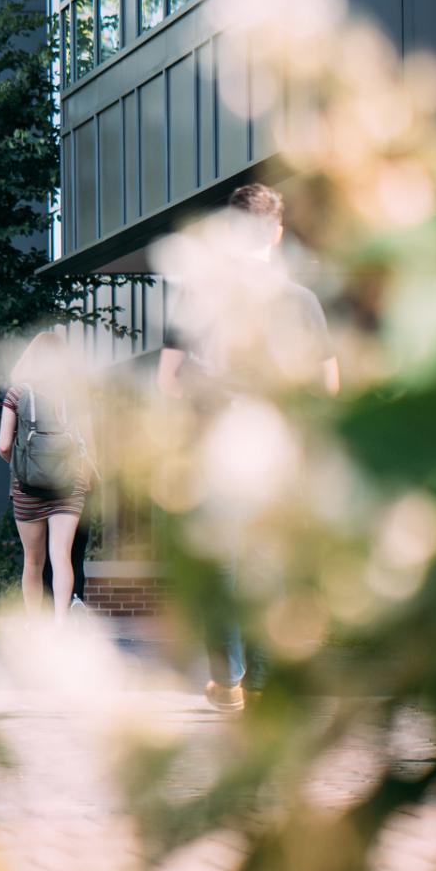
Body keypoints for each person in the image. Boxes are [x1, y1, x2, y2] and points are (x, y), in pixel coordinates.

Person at [156, 183, 339, 712]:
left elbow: (169, 380)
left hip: (217, 446)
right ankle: (261, 678)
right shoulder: (301, 300)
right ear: (277, 234)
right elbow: (327, 385)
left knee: (221, 562)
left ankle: (228, 679)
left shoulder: (197, 295)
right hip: (280, 451)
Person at [0, 331, 94, 626]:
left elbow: (3, 445)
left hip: (28, 487)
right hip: (68, 485)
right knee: (61, 556)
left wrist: (21, 465)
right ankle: (61, 621)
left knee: (33, 560)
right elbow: (88, 444)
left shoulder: (17, 394)